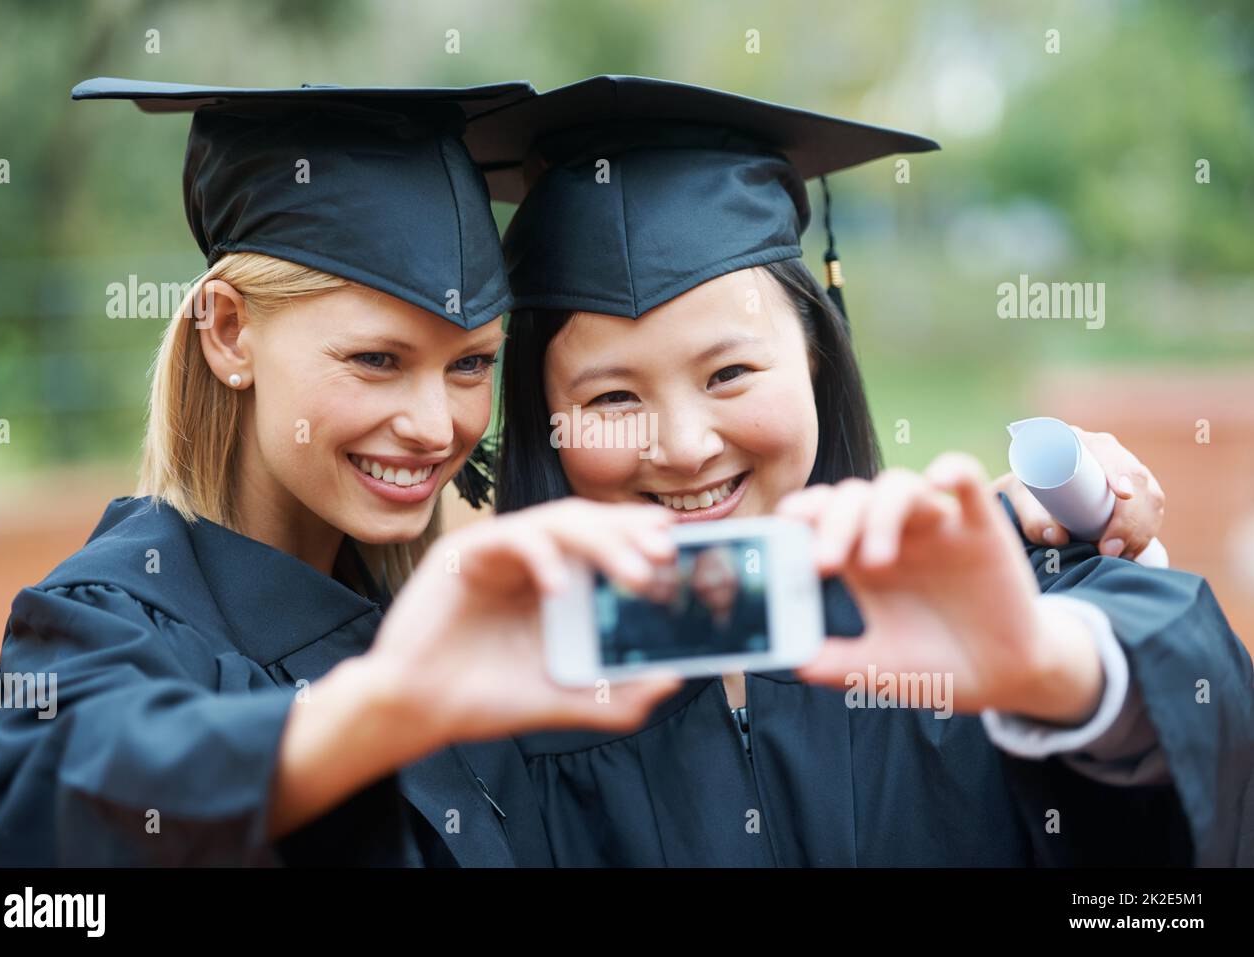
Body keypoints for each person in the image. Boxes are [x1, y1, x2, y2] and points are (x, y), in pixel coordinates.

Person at [474, 76, 1252, 866]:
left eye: (729, 373)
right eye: (612, 396)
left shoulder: (975, 591)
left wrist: (1052, 667)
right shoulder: (493, 708)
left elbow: (1208, 704)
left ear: (816, 354)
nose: (681, 445)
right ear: (546, 418)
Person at [0, 78, 681, 866]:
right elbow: (42, 816)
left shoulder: (417, 608)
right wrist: (380, 710)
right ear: (229, 332)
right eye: (377, 359)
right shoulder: (114, 623)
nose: (437, 428)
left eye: (471, 363)